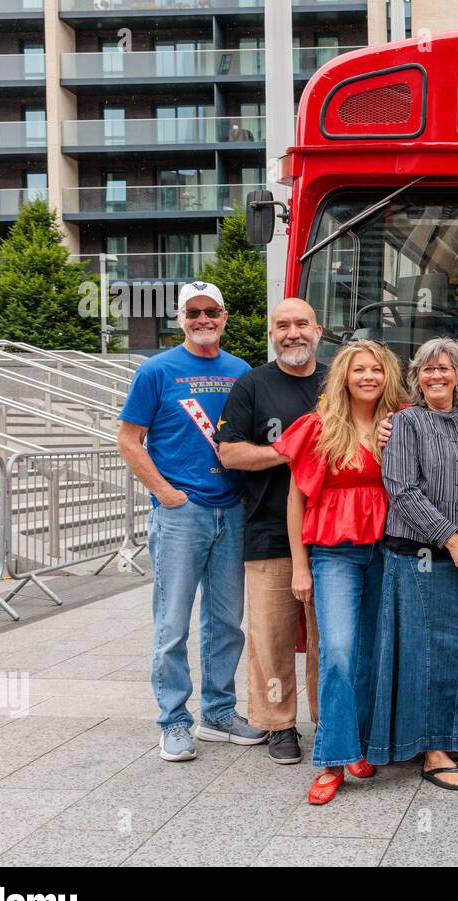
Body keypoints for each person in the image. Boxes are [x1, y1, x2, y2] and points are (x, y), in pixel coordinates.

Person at [117, 281, 264, 761]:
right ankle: (174, 720)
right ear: (180, 317)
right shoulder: (156, 371)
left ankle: (219, 712)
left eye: (212, 311)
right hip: (183, 514)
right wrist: (165, 494)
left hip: (232, 509)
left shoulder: (241, 371)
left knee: (226, 621)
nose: (203, 320)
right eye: (193, 312)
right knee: (173, 622)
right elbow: (128, 440)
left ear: (225, 316)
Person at [368, 338, 458, 791]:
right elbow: (402, 489)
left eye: (444, 368)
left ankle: (453, 742)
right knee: (425, 657)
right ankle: (430, 753)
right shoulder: (407, 422)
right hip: (422, 558)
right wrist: (452, 540)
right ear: (417, 377)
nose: (436, 376)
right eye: (427, 370)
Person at [276, 341, 405, 804]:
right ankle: (332, 761)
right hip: (334, 552)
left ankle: (359, 747)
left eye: (376, 369)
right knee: (337, 651)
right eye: (358, 370)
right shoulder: (318, 427)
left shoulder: (403, 422)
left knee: (371, 652)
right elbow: (295, 500)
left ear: (387, 375)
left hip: (389, 551)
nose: (367, 376)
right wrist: (300, 565)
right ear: (344, 377)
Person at [214, 298, 327, 765]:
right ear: (272, 335)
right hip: (268, 530)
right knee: (271, 637)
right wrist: (289, 450)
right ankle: (279, 724)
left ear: (317, 331)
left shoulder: (337, 382)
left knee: (332, 638)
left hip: (333, 532)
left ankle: (329, 720)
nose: (293, 333)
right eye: (283, 326)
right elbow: (230, 453)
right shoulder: (252, 385)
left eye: (302, 323)